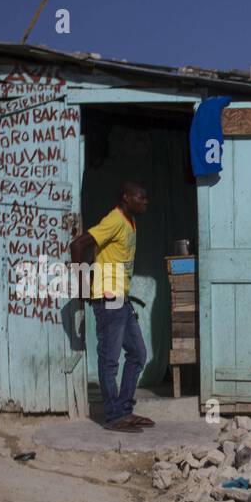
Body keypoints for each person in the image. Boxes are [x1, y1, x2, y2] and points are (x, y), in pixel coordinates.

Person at [69, 181, 152, 432]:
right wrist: (82, 286)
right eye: (141, 197)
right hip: (107, 299)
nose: (145, 201)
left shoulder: (130, 222)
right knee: (110, 359)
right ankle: (114, 415)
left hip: (121, 299)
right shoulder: (114, 220)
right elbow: (77, 245)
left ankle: (124, 409)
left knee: (138, 354)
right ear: (127, 197)